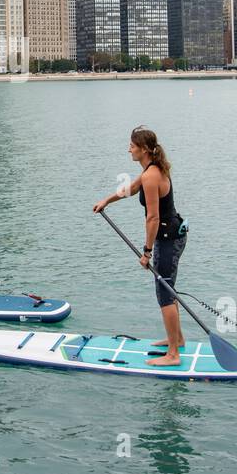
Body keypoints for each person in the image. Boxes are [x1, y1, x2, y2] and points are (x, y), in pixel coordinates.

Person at [92, 126, 187, 366]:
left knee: (164, 292)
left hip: (168, 238)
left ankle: (173, 354)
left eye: (132, 146)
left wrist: (146, 252)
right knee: (168, 287)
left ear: (144, 149)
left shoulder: (151, 175)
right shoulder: (150, 170)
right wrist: (107, 200)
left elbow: (153, 217)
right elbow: (130, 190)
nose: (129, 149)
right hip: (170, 235)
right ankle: (177, 339)